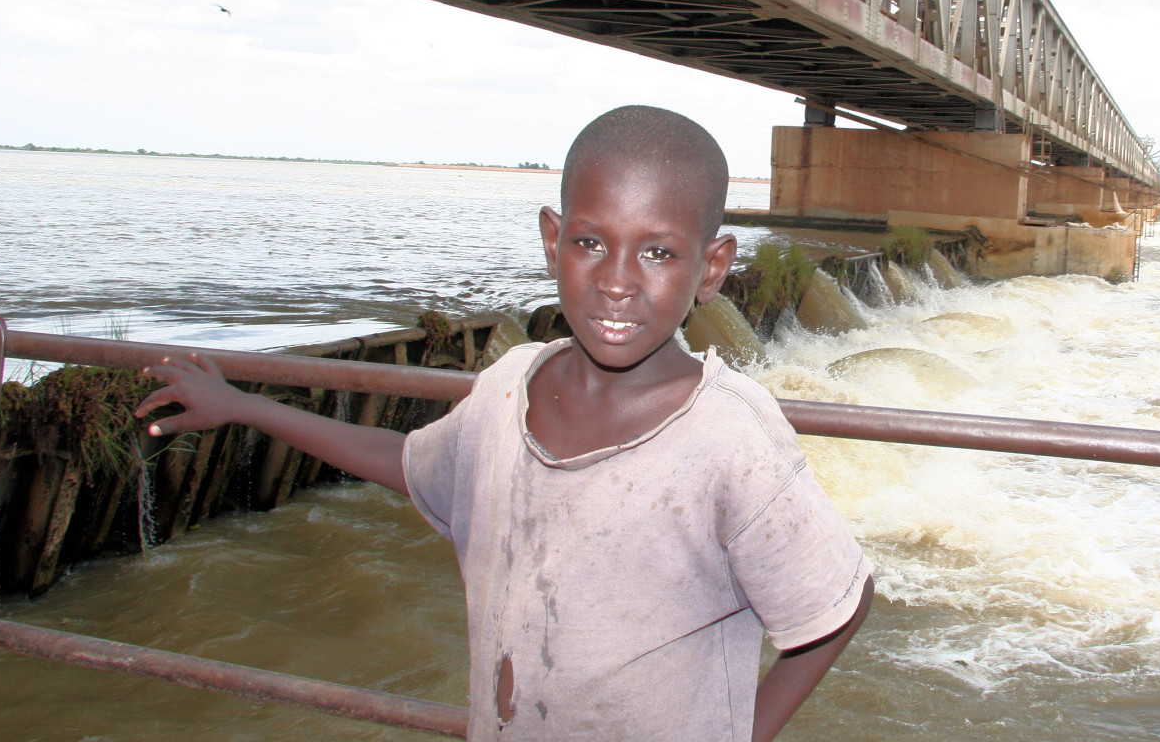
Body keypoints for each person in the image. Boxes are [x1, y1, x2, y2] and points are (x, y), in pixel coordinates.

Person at [137, 105, 873, 741]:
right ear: (553, 238)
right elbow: (411, 463)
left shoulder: (730, 438)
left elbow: (837, 603)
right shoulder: (506, 389)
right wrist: (245, 406)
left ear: (710, 268)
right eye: (590, 242)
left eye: (657, 252)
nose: (617, 279)